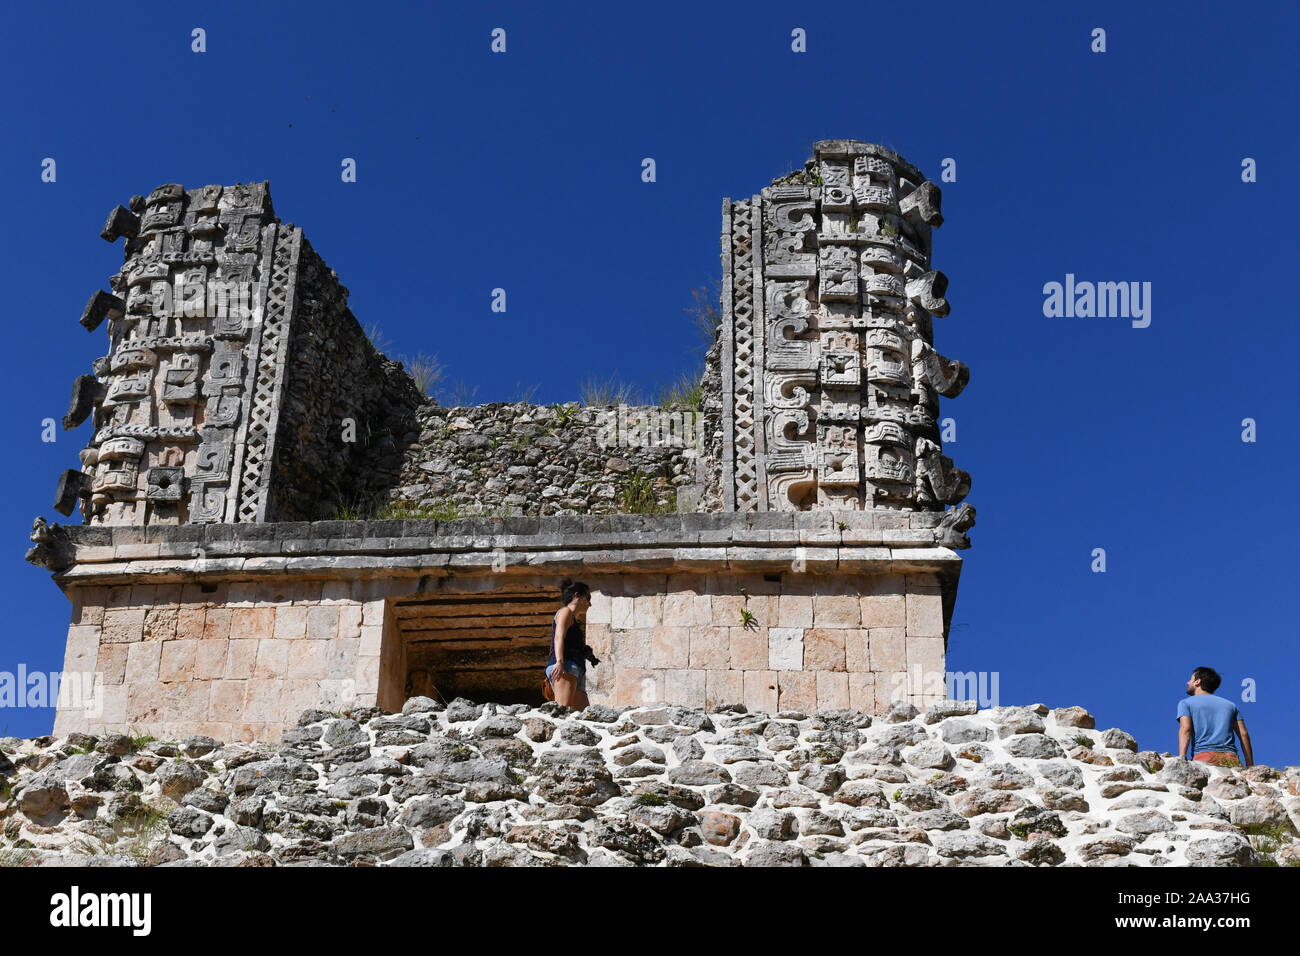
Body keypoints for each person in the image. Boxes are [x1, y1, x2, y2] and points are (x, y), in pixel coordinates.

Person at [1177, 667, 1253, 768]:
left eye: (1191, 679)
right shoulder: (1231, 705)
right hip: (1231, 759)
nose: (1187, 682)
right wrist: (1250, 764)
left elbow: (1185, 729)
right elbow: (1244, 734)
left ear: (1197, 682)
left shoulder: (1185, 703)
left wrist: (1182, 758)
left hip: (1203, 758)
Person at [545, 579, 598, 710]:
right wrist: (559, 661)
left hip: (574, 669)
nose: (590, 604)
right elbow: (558, 637)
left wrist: (586, 652)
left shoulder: (573, 619)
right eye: (588, 598)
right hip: (565, 667)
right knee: (562, 712)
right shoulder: (565, 612)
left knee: (583, 718)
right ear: (576, 595)